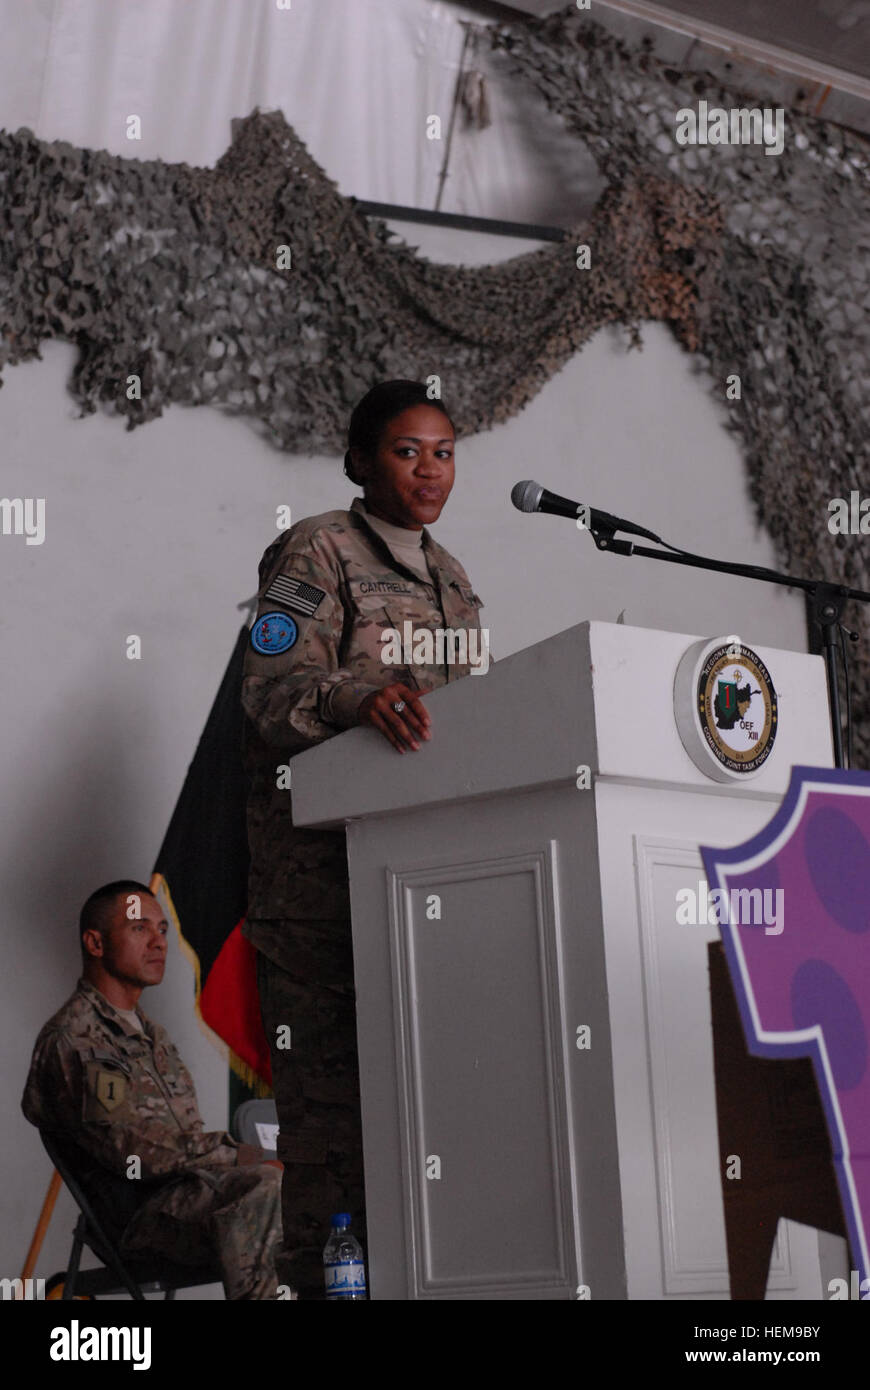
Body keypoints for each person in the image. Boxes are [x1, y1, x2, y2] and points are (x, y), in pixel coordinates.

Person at [241, 378, 490, 1299]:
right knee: (335, 1145)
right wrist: (357, 695)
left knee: (426, 1126)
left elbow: (474, 723)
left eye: (445, 452)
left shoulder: (455, 577)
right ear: (359, 460)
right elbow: (269, 695)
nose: (429, 470)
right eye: (406, 450)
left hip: (425, 893)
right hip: (323, 903)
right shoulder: (316, 549)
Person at [22, 881, 282, 1300]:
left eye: (162, 929)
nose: (159, 942)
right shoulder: (74, 1040)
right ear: (95, 942)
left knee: (305, 1190)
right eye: (140, 929)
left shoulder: (152, 1036)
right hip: (142, 1219)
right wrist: (244, 1156)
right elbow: (134, 1153)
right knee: (264, 1189)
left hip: (193, 1197)